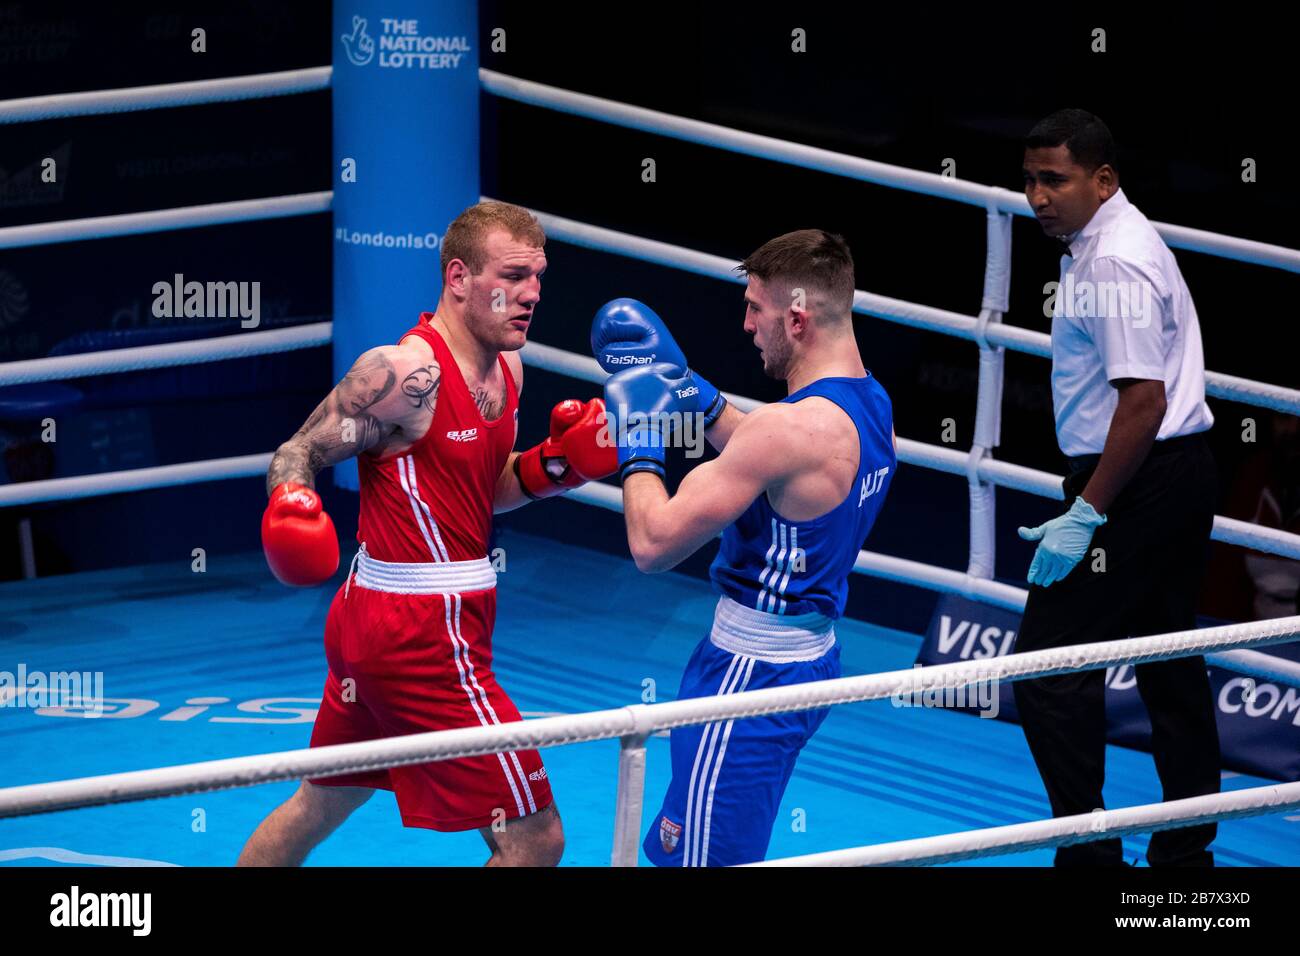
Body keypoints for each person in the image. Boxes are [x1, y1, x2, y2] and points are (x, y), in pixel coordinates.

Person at [238, 201, 615, 866]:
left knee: (323, 802)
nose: (531, 294)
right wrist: (290, 502)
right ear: (459, 277)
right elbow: (298, 451)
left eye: (538, 277)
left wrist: (556, 466)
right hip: (418, 634)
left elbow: (482, 487)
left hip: (396, 620)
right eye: (513, 276)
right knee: (535, 838)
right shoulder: (405, 375)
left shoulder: (506, 367)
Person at [593, 229, 896, 866]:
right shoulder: (871, 403)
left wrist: (639, 443)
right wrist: (693, 394)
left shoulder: (789, 429)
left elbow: (652, 543)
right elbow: (775, 456)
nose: (747, 324)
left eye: (756, 308)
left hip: (748, 675)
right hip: (806, 659)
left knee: (701, 860)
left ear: (797, 319)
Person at [1015, 109, 1220, 866]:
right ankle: (1186, 856)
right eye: (1029, 180)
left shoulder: (1113, 262)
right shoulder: (1110, 240)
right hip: (1173, 473)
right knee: (1168, 658)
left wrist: (1086, 511)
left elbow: (1143, 403)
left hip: (1137, 479)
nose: (1038, 197)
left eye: (1055, 180)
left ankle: (1090, 854)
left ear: (1103, 180)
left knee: (1045, 668)